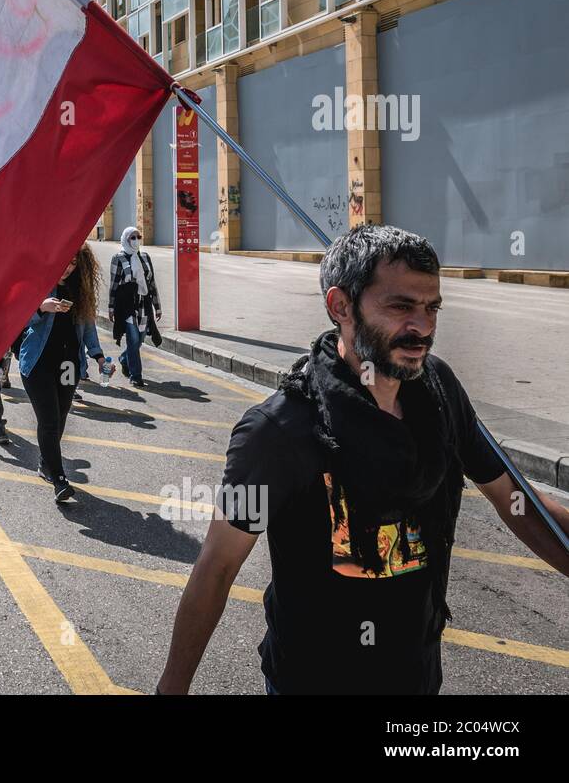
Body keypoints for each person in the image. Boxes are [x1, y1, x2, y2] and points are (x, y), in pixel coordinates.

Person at [156, 224, 569, 696]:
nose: (423, 328)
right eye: (400, 307)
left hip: (416, 678)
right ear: (340, 306)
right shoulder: (280, 431)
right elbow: (217, 567)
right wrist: (172, 688)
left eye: (431, 307)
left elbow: (517, 501)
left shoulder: (440, 393)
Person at [16, 246, 100, 503]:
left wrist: (97, 354)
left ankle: (45, 462)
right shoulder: (39, 282)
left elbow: (87, 325)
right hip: (38, 363)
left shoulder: (80, 290)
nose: (68, 267)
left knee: (61, 416)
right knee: (49, 420)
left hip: (68, 366)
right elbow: (17, 316)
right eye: (65, 261)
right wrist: (42, 307)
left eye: (73, 263)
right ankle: (60, 479)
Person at [109, 227, 160, 389]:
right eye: (132, 237)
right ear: (125, 239)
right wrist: (111, 307)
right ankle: (136, 376)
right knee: (133, 339)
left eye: (138, 236)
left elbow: (151, 283)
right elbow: (114, 285)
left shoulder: (145, 257)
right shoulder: (118, 258)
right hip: (127, 305)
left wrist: (157, 306)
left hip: (144, 305)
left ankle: (124, 359)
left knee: (140, 338)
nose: (136, 240)